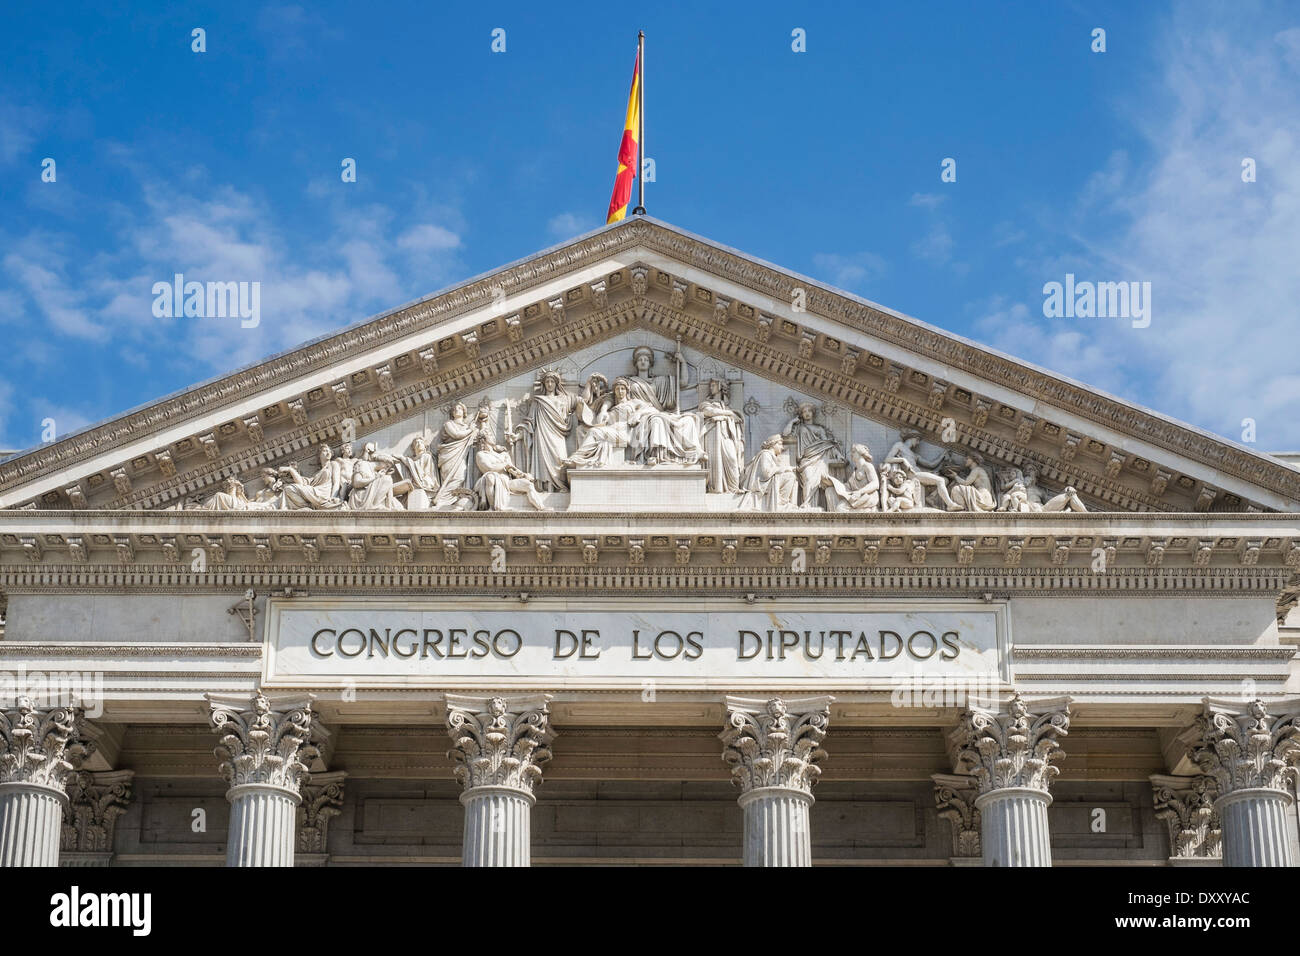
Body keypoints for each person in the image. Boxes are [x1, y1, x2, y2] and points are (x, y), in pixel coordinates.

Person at [516, 371, 578, 491]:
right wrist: (517, 436)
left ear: (556, 384)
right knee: (543, 460)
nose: (549, 384)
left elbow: (582, 401)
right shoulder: (538, 401)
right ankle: (546, 487)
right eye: (547, 382)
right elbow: (530, 422)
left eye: (552, 382)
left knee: (560, 459)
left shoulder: (564, 399)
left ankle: (560, 485)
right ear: (543, 384)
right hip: (542, 433)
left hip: (558, 433)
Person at [782, 403, 847, 508]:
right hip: (806, 459)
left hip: (820, 458)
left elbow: (827, 444)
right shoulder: (799, 428)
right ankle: (807, 504)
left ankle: (811, 506)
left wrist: (838, 455)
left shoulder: (819, 429)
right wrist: (792, 422)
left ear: (813, 413)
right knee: (808, 478)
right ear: (801, 415)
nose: (807, 413)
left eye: (809, 411)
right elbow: (785, 434)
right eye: (804, 412)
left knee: (818, 480)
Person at [884, 432, 958, 510]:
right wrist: (902, 460)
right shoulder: (899, 445)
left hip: (919, 474)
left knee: (945, 480)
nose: (918, 443)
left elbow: (931, 464)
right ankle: (950, 505)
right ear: (912, 437)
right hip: (913, 475)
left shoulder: (915, 455)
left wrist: (943, 455)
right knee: (940, 480)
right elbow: (887, 459)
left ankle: (931, 498)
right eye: (917, 440)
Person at [434, 403, 488, 508]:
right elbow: (456, 435)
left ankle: (449, 499)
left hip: (462, 456)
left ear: (464, 412)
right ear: (452, 413)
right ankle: (442, 500)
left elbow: (481, 438)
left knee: (460, 477)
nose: (456, 410)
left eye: (460, 408)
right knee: (452, 478)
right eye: (454, 409)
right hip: (449, 455)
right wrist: (470, 430)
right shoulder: (449, 424)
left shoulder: (468, 427)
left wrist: (482, 423)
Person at [474, 433, 546, 510]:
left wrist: (523, 475)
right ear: (483, 440)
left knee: (528, 485)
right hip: (493, 480)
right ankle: (492, 508)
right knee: (490, 477)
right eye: (490, 435)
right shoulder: (481, 454)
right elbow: (489, 468)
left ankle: (541, 508)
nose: (493, 437)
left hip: (507, 482)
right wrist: (505, 464)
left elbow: (512, 469)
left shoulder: (502, 455)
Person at [697, 379, 745, 493]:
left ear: (720, 387)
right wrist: (729, 414)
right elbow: (709, 412)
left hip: (726, 436)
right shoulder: (706, 404)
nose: (711, 388)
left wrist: (727, 416)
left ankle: (733, 488)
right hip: (713, 436)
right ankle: (716, 487)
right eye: (710, 385)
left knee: (732, 459)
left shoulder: (726, 407)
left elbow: (738, 420)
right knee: (715, 461)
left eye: (713, 385)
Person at [737, 434, 800, 511]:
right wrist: (785, 469)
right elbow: (766, 473)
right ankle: (782, 503)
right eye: (780, 444)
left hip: (767, 482)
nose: (782, 447)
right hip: (762, 484)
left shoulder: (771, 456)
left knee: (792, 476)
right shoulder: (765, 454)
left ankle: (783, 501)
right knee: (790, 476)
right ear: (773, 444)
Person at [277, 444, 346, 510]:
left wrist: (333, 497)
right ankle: (308, 507)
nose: (328, 453)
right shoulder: (316, 473)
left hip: (323, 495)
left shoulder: (333, 464)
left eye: (329, 451)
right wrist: (291, 470)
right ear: (319, 455)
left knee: (291, 488)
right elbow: (301, 483)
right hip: (313, 494)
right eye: (325, 451)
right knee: (288, 489)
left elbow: (336, 482)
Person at [382, 436, 439, 510]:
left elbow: (422, 473)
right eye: (416, 443)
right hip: (412, 482)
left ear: (425, 446)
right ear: (413, 448)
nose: (419, 444)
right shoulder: (411, 459)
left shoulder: (426, 456)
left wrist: (403, 458)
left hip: (424, 481)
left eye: (421, 442)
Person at [822, 444, 880, 512]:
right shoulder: (854, 471)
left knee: (840, 509)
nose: (851, 454)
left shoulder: (867, 466)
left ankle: (867, 511)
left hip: (867, 496)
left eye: (853, 451)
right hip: (856, 496)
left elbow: (875, 484)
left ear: (860, 453)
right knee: (830, 490)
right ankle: (863, 511)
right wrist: (832, 483)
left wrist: (860, 492)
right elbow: (848, 487)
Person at [349, 442, 404, 509]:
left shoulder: (376, 472)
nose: (386, 469)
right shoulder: (363, 464)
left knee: (398, 506)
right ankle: (376, 506)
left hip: (372, 495)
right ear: (382, 461)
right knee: (387, 479)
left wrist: (384, 475)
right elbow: (356, 483)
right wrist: (376, 478)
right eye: (387, 466)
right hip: (362, 496)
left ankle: (388, 507)